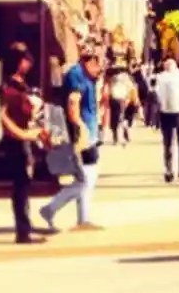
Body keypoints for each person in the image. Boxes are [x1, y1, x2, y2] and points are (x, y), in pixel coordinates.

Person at [39, 52, 103, 231]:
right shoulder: (77, 75)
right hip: (82, 133)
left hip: (86, 130)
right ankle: (51, 208)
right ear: (89, 62)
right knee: (86, 177)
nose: (99, 69)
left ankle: (83, 218)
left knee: (87, 176)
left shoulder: (84, 75)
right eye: (97, 64)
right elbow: (73, 102)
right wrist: (80, 126)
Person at [0, 44, 47, 244]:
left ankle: (25, 226)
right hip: (15, 142)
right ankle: (22, 231)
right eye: (24, 59)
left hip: (25, 139)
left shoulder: (21, 85)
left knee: (25, 185)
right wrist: (23, 135)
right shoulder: (9, 88)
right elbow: (3, 117)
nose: (28, 63)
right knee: (20, 186)